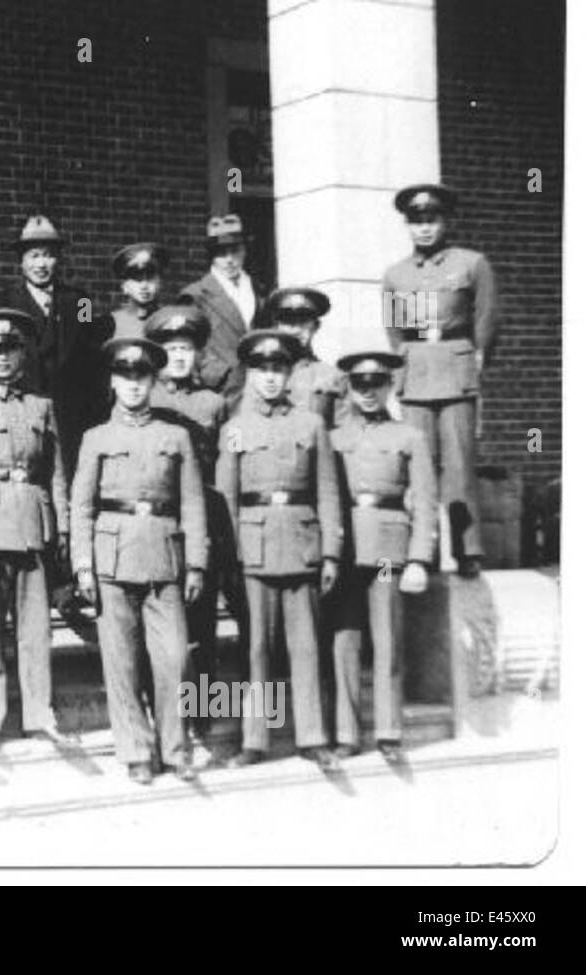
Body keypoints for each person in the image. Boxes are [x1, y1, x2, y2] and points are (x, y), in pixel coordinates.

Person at [71, 336, 208, 785]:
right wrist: (83, 566)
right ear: (113, 381)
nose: (133, 386)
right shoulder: (96, 438)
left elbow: (192, 503)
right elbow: (82, 507)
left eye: (142, 377)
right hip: (112, 559)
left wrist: (197, 564)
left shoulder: (176, 437)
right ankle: (135, 749)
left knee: (174, 659)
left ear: (154, 380)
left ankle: (175, 746)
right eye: (125, 377)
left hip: (166, 558)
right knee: (121, 660)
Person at [216, 330, 342, 771]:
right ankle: (255, 740)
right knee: (257, 648)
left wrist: (330, 553)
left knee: (306, 645)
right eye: (261, 370)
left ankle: (312, 737)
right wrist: (228, 558)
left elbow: (327, 490)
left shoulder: (311, 425)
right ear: (249, 374)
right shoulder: (234, 429)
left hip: (303, 543)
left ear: (289, 374)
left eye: (278, 369)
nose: (270, 378)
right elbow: (225, 497)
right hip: (253, 547)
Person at [0, 308, 77, 752]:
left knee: (35, 627)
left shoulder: (40, 406)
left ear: (23, 353)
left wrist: (62, 527)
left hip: (32, 519)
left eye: (11, 347)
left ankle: (38, 713)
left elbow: (56, 474)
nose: (3, 356)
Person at [382, 183, 496, 576]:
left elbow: (486, 321)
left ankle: (468, 550)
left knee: (459, 463)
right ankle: (423, 550)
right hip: (415, 376)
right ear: (408, 226)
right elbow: (395, 332)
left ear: (445, 221)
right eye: (417, 222)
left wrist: (474, 363)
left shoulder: (470, 263)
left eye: (432, 220)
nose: (425, 229)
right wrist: (400, 375)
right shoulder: (396, 275)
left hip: (455, 368)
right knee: (418, 465)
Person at [329, 349, 437, 763]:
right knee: (344, 641)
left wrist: (418, 559)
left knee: (388, 637)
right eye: (360, 384)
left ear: (390, 386)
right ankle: (346, 732)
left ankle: (389, 730)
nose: (368, 392)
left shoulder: (409, 437)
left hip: (390, 551)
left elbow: (425, 501)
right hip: (347, 549)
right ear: (350, 388)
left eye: (377, 384)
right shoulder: (335, 438)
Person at [146, 303, 240, 764]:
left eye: (187, 349)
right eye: (171, 348)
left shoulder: (213, 404)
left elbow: (224, 468)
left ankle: (203, 717)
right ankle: (161, 719)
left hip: (202, 522)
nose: (179, 357)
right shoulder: (148, 402)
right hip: (160, 525)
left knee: (202, 624)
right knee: (164, 631)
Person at [0, 215, 103, 478]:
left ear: (58, 259)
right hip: (22, 413)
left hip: (70, 416)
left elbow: (92, 357)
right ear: (21, 262)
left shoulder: (81, 302)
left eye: (48, 255)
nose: (41, 264)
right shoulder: (1, 302)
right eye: (33, 256)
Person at [178, 214, 265, 403]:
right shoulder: (196, 295)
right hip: (220, 389)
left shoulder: (258, 290)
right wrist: (219, 373)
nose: (230, 259)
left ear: (244, 251)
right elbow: (189, 344)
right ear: (212, 257)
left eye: (235, 251)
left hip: (260, 384)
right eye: (222, 253)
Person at [263, 287, 347, 428]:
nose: (296, 329)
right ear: (276, 326)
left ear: (316, 326)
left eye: (303, 321)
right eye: (288, 322)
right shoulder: (259, 374)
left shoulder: (333, 377)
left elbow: (346, 432)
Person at [103, 242, 170, 340]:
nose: (144, 286)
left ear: (159, 282)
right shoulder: (111, 324)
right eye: (136, 279)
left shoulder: (169, 320)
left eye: (150, 278)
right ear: (124, 286)